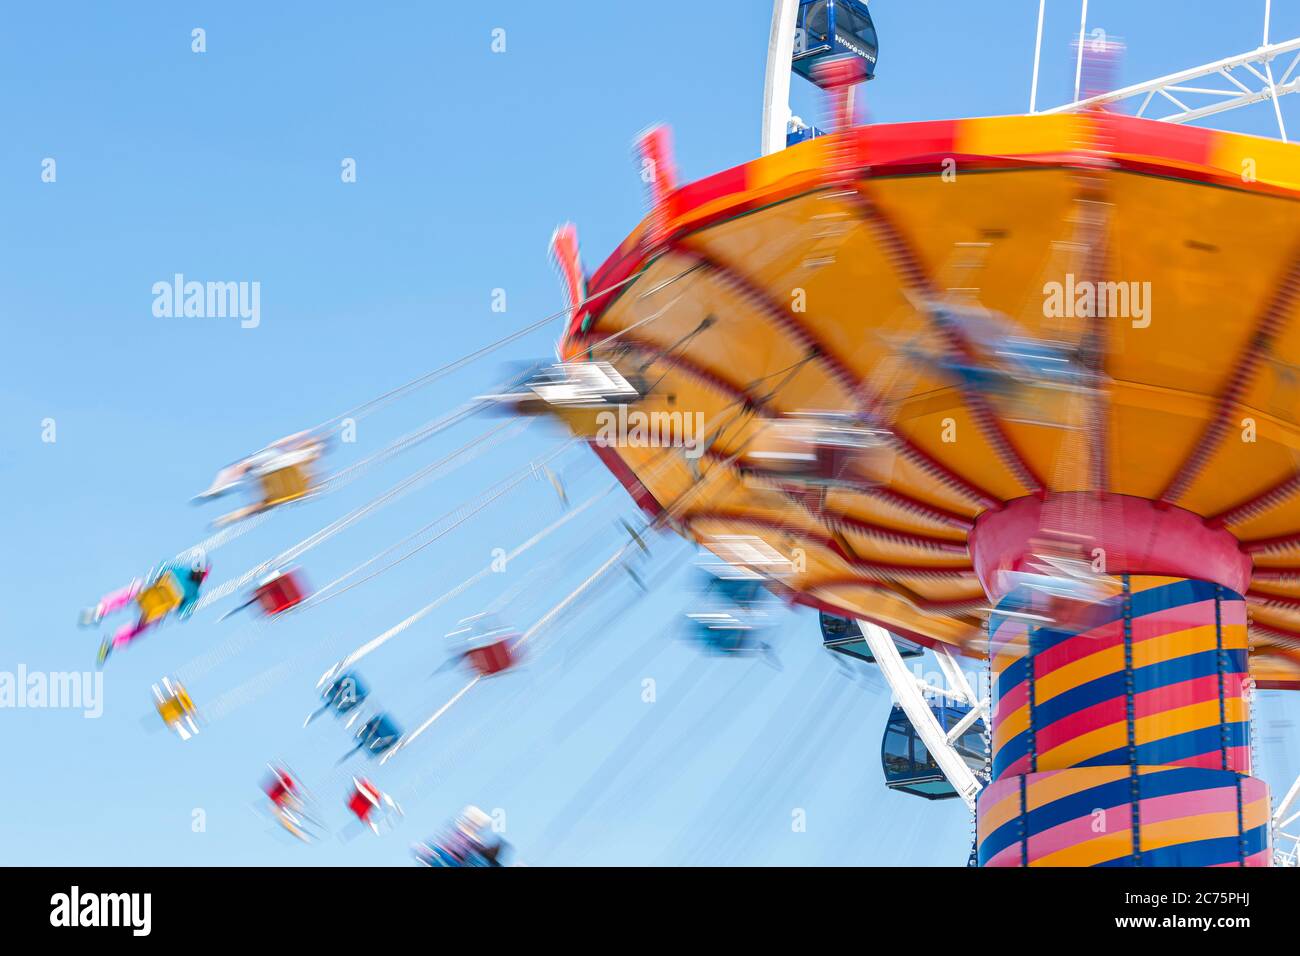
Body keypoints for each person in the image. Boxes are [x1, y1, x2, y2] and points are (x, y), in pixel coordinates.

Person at [82, 559, 211, 666]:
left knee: (134, 594)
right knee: (141, 616)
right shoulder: (192, 591)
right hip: (156, 605)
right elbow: (183, 615)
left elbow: (163, 566)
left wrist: (157, 579)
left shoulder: (183, 575)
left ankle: (106, 619)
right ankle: (111, 633)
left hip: (152, 600)